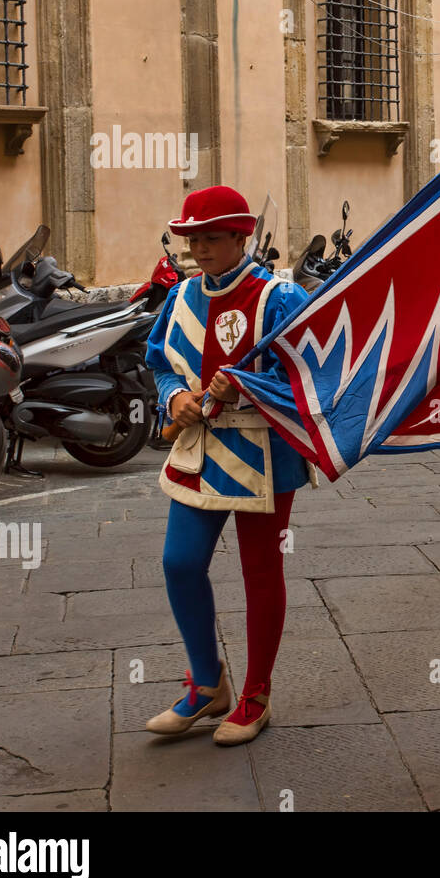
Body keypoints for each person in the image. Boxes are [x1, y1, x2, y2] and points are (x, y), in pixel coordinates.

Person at [143, 186, 311, 744]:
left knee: (261, 574)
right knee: (179, 563)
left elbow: (309, 378)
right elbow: (158, 360)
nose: (199, 248)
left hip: (266, 452)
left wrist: (245, 387)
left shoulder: (279, 298)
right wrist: (173, 398)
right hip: (198, 446)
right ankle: (207, 683)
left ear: (242, 236)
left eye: (211, 237)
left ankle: (255, 695)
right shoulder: (183, 296)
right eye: (192, 238)